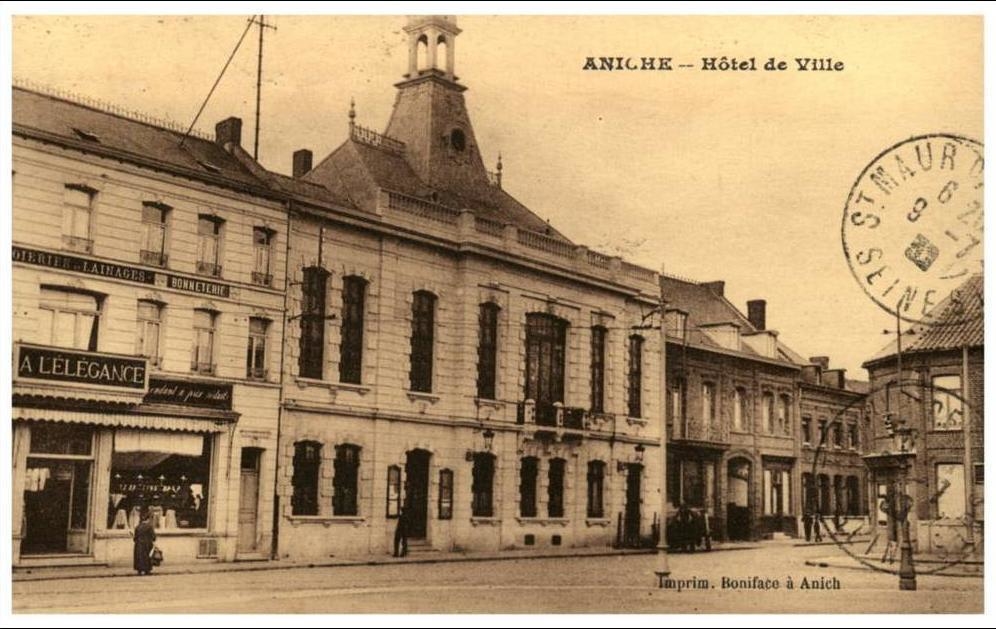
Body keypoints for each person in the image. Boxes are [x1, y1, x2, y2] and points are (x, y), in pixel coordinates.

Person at [133, 506, 157, 576]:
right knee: (147, 557)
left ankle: (139, 570)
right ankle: (147, 570)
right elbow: (153, 536)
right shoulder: (149, 527)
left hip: (138, 544)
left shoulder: (138, 527)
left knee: (139, 557)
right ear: (148, 519)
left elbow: (135, 538)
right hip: (147, 544)